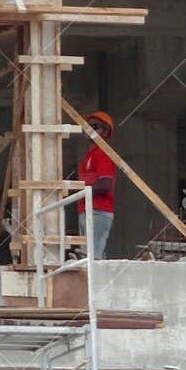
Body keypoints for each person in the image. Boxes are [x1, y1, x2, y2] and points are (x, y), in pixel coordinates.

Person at [77, 111, 117, 259]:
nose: (90, 129)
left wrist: (81, 191)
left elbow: (106, 184)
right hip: (88, 210)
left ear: (106, 132)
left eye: (95, 126)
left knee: (92, 257)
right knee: (90, 256)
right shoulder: (90, 155)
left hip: (98, 211)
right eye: (88, 126)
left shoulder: (103, 153)